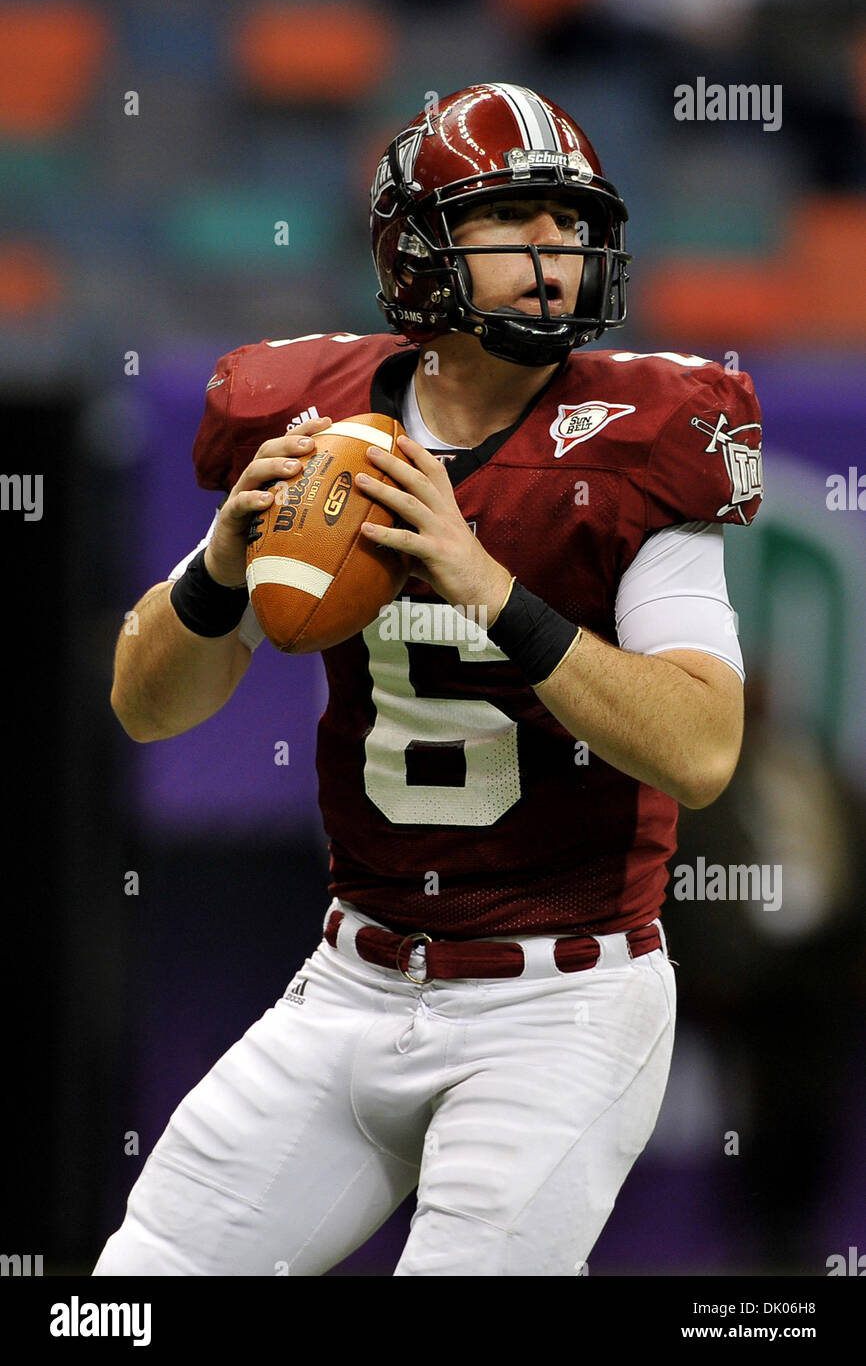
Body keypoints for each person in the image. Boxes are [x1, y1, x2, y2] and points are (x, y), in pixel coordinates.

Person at [93, 83, 762, 1277]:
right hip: (351, 977)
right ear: (417, 249)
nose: (555, 255)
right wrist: (218, 571)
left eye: (571, 226)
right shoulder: (316, 424)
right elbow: (146, 705)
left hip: (560, 1003)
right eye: (515, 220)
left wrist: (490, 588)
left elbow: (702, 749)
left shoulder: (639, 437)